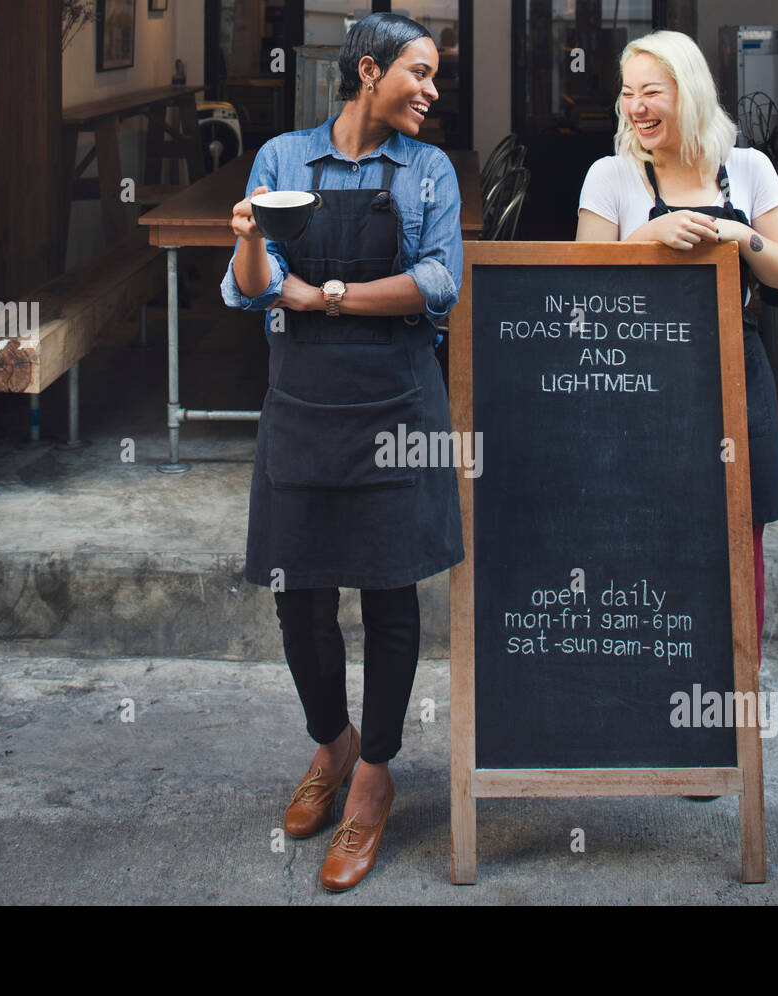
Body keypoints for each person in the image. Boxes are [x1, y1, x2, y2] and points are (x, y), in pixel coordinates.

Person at [221, 12, 463, 892]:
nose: (433, 92)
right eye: (421, 74)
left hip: (396, 403)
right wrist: (251, 238)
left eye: (436, 77)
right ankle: (335, 743)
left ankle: (372, 784)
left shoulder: (428, 170)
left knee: (390, 598)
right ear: (369, 71)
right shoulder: (284, 159)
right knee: (299, 601)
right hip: (302, 407)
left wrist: (322, 295)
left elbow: (439, 283)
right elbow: (247, 292)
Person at [576, 30, 778, 790]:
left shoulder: (747, 168)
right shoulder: (611, 176)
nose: (636, 107)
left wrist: (740, 236)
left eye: (653, 91)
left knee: (739, 547)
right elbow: (580, 290)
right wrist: (645, 236)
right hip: (639, 381)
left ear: (689, 93)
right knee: (649, 546)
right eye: (628, 92)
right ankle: (646, 719)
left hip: (733, 375)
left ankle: (724, 730)